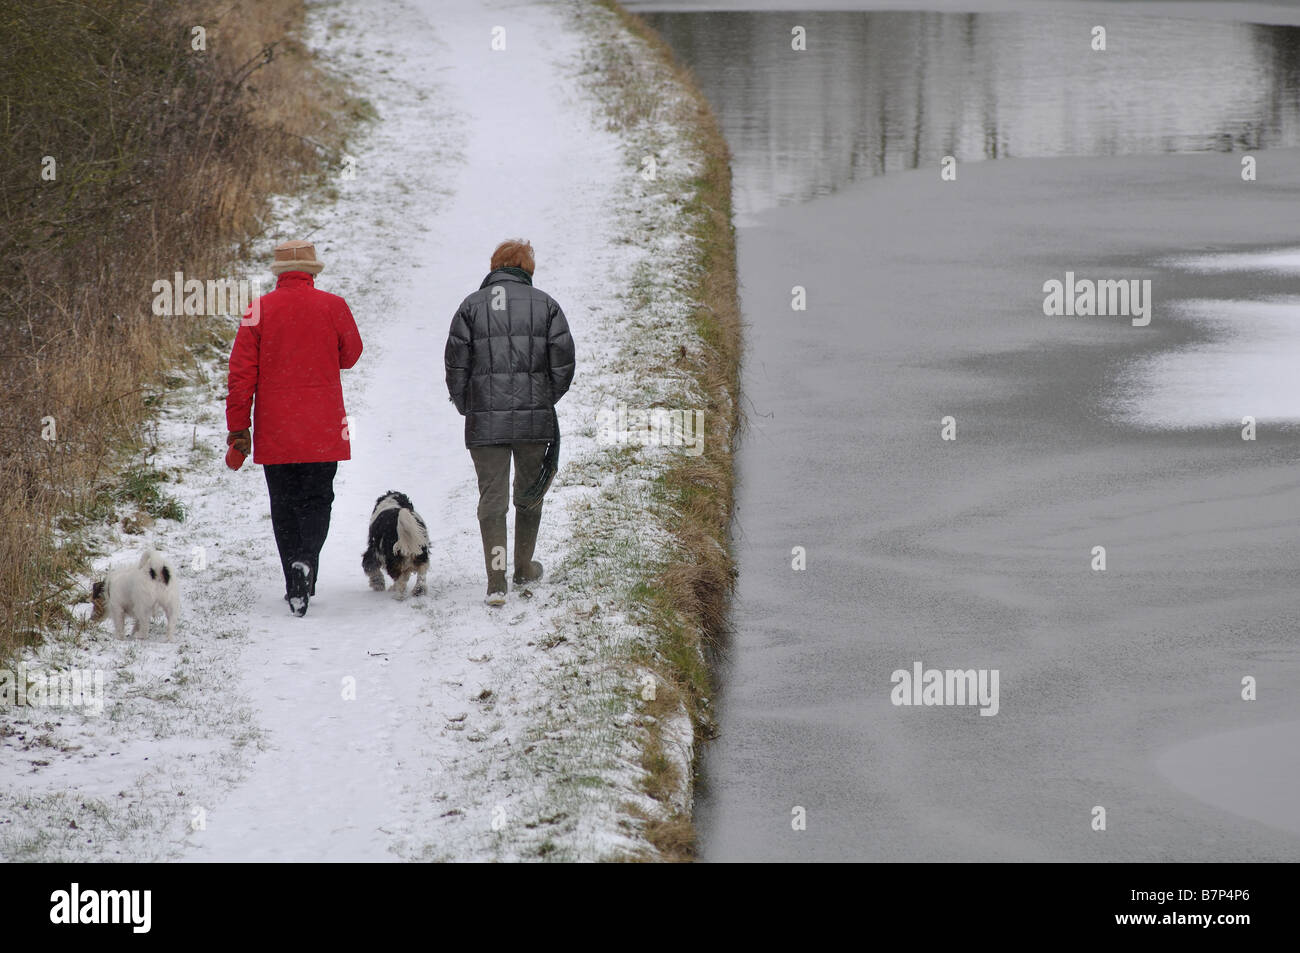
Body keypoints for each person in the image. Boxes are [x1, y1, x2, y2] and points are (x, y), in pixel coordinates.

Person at [226, 239, 363, 616]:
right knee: (318, 499)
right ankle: (306, 561)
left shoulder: (258, 310)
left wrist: (238, 429)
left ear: (279, 274)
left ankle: (293, 581)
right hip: (321, 428)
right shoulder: (333, 307)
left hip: (276, 429)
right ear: (311, 272)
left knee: (283, 506)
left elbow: (240, 376)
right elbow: (351, 355)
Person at [444, 239, 575, 606]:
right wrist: (543, 398)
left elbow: (456, 365)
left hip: (485, 424)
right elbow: (563, 365)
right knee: (529, 495)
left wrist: (468, 405)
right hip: (535, 421)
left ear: (494, 267)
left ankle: (496, 580)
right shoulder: (546, 305)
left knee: (493, 499)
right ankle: (523, 567)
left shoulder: (471, 306)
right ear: (528, 269)